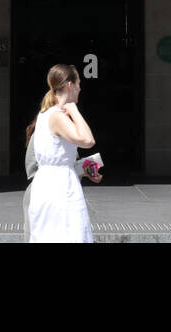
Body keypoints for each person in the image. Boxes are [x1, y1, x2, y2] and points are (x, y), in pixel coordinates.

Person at [27, 63, 101, 243]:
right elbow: (88, 140)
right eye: (78, 83)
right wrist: (75, 111)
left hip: (48, 184)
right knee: (71, 235)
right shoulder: (57, 115)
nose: (80, 88)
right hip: (60, 188)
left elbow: (58, 155)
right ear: (70, 85)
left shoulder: (45, 114)